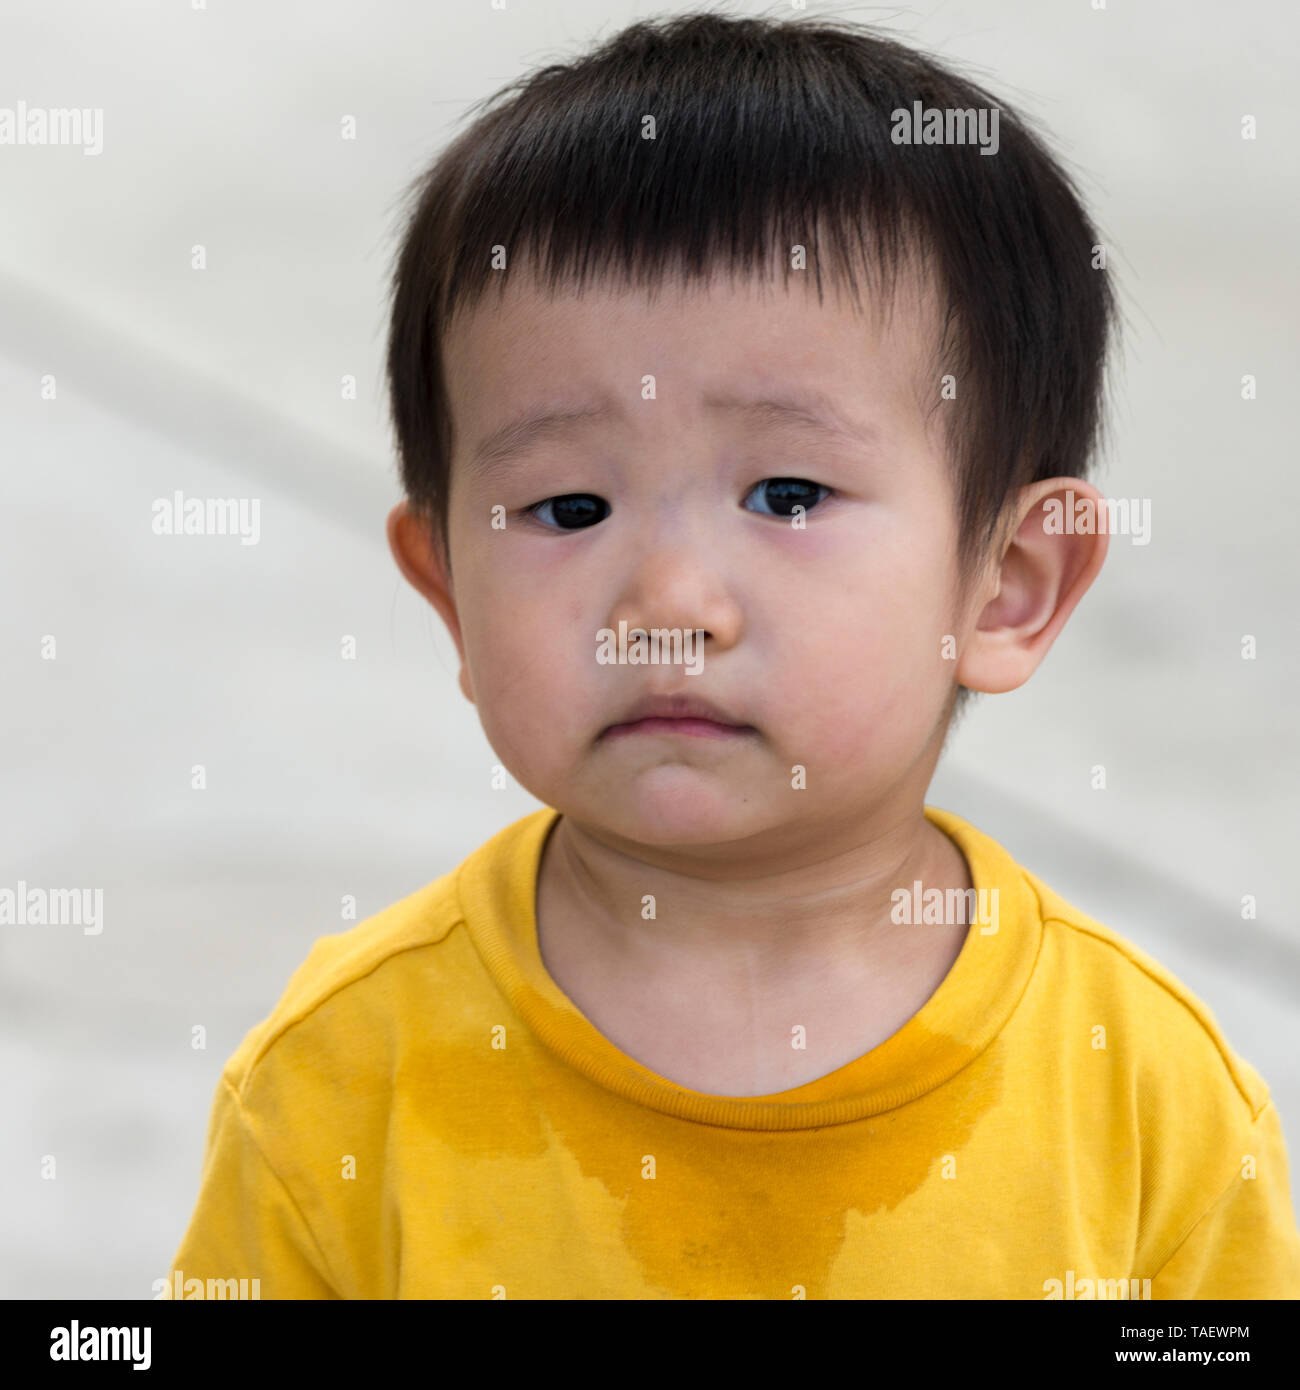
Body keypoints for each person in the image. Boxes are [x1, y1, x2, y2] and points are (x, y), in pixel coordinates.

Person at [166, 12, 1300, 1298]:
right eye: (568, 510)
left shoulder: (1138, 1095)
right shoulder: (342, 1078)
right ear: (446, 595)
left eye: (788, 495)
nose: (667, 602)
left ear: (1006, 588)